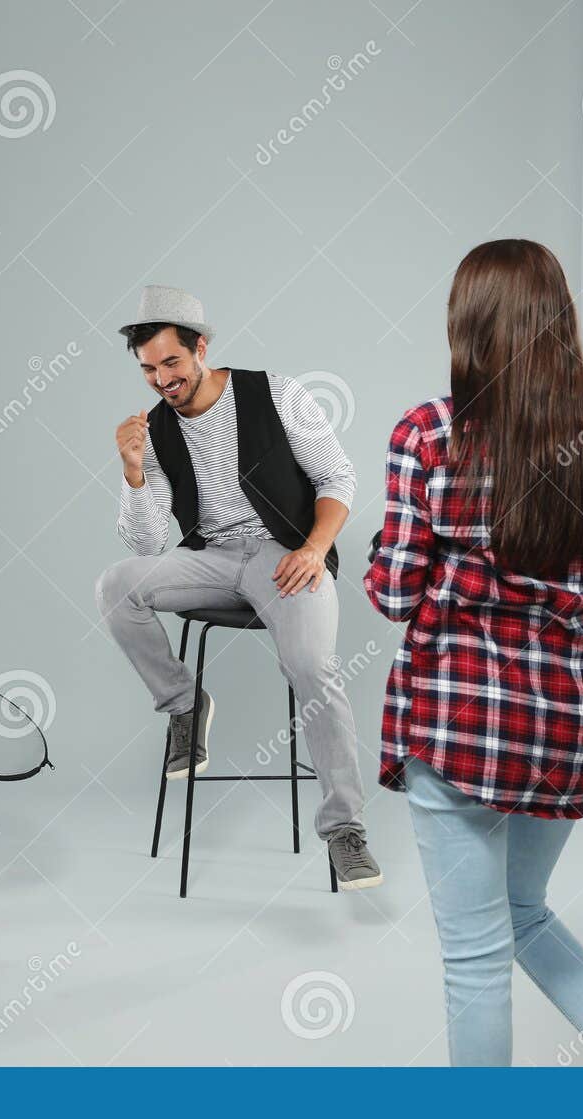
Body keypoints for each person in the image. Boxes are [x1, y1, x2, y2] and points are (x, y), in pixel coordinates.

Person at [364, 240, 583, 1064]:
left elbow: (395, 592)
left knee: (474, 955)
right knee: (524, 912)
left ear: (469, 326)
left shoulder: (430, 434)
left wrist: (428, 569)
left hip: (458, 725)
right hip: (565, 731)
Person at [96, 285, 382, 889]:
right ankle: (185, 705)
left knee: (312, 667)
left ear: (201, 348)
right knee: (117, 586)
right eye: (148, 369)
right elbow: (146, 544)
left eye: (171, 362)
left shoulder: (274, 393)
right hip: (211, 558)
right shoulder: (155, 429)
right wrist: (132, 471)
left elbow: (337, 476)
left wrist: (314, 548)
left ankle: (345, 830)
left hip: (285, 557)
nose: (162, 380)